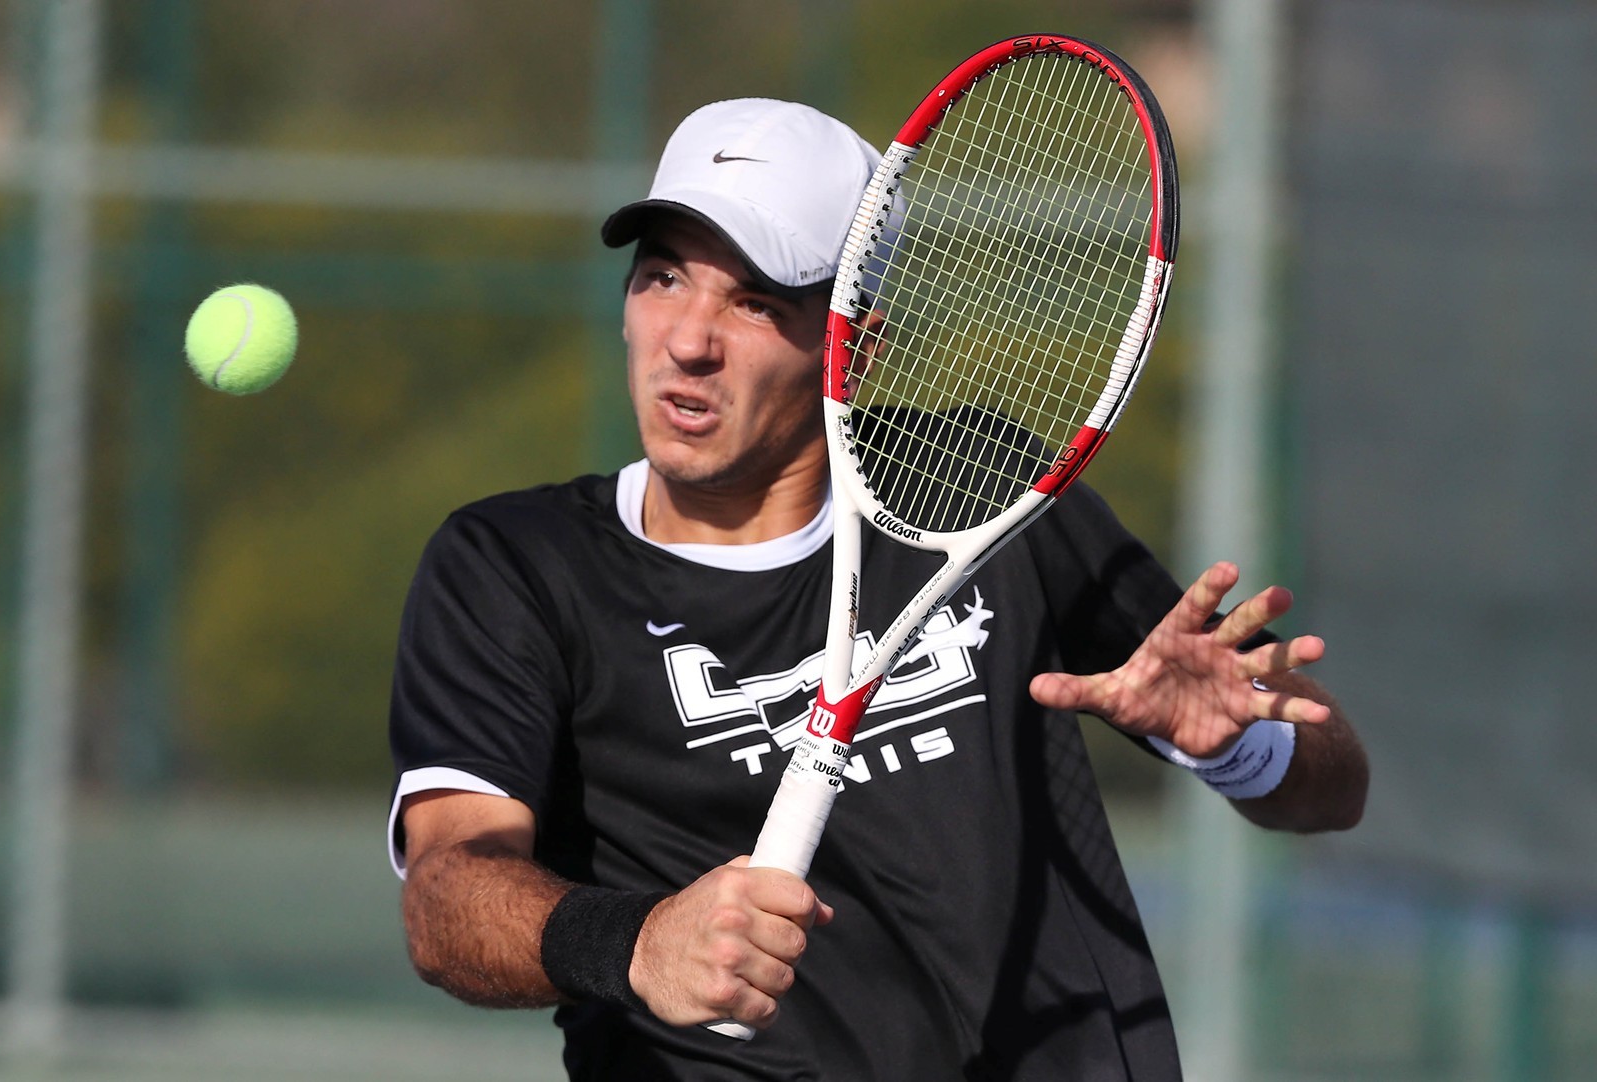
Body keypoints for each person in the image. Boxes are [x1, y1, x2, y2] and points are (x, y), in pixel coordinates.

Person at [387, 97, 1368, 1081]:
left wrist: (1246, 741)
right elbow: (446, 896)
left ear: (852, 343)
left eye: (754, 300)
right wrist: (636, 940)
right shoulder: (514, 566)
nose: (687, 339)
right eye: (663, 277)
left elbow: (1332, 783)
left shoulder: (987, 490)